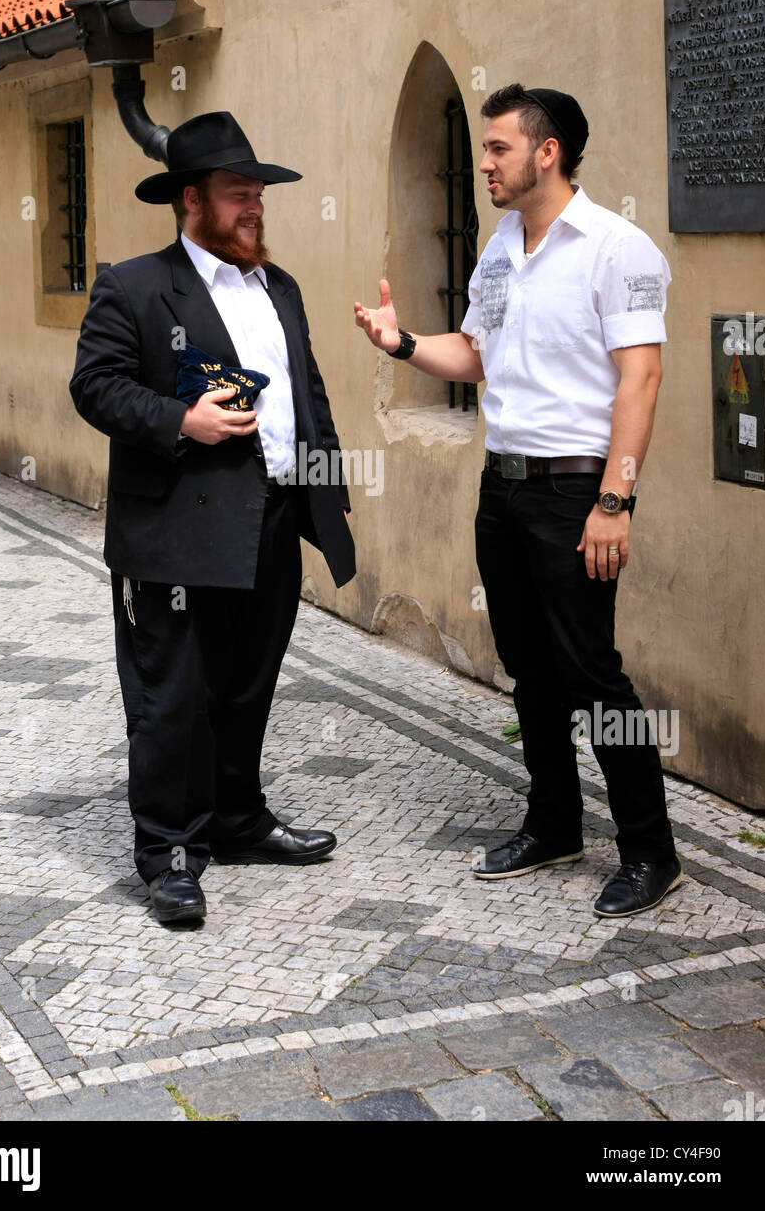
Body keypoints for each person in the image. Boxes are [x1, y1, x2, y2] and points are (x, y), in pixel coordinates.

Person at [354, 83, 681, 919]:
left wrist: (616, 499)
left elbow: (640, 377)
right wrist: (402, 341)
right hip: (502, 488)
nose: (484, 163)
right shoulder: (500, 248)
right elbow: (475, 353)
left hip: (579, 488)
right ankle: (555, 825)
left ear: (548, 152)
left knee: (594, 674)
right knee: (530, 671)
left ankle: (651, 850)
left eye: (498, 148)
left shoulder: (618, 248)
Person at [70, 111, 355, 924]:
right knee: (171, 698)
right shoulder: (132, 284)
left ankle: (235, 821)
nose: (255, 207)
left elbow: (310, 394)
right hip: (175, 530)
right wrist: (178, 420)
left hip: (268, 520)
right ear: (192, 200)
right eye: (239, 194)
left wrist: (327, 497)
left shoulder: (281, 286)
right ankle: (167, 852)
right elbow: (94, 386)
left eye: (259, 194)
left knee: (245, 687)